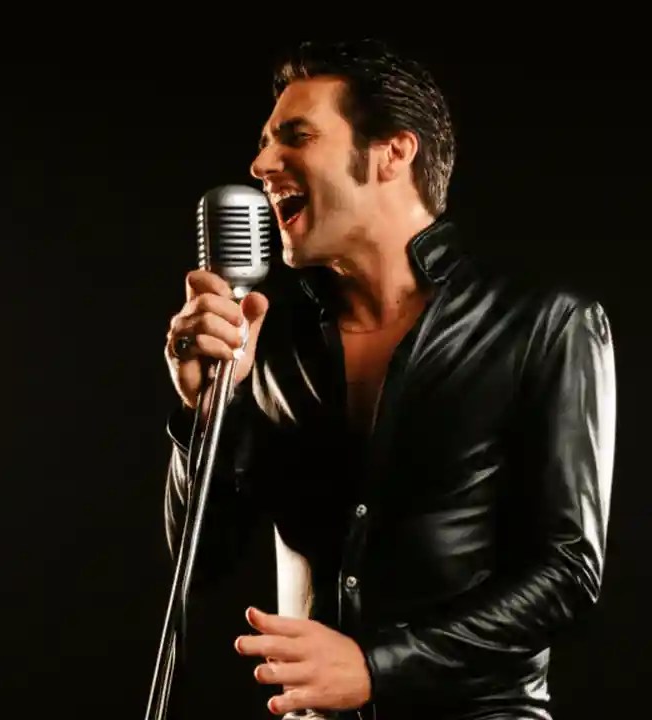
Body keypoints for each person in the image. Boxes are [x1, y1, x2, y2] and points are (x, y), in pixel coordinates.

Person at [161, 38, 617, 720]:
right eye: (262, 143)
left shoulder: (543, 324)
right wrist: (205, 412)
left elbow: (568, 574)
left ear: (392, 153)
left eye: (296, 136)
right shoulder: (266, 341)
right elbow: (200, 567)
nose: (260, 166)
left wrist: (377, 666)